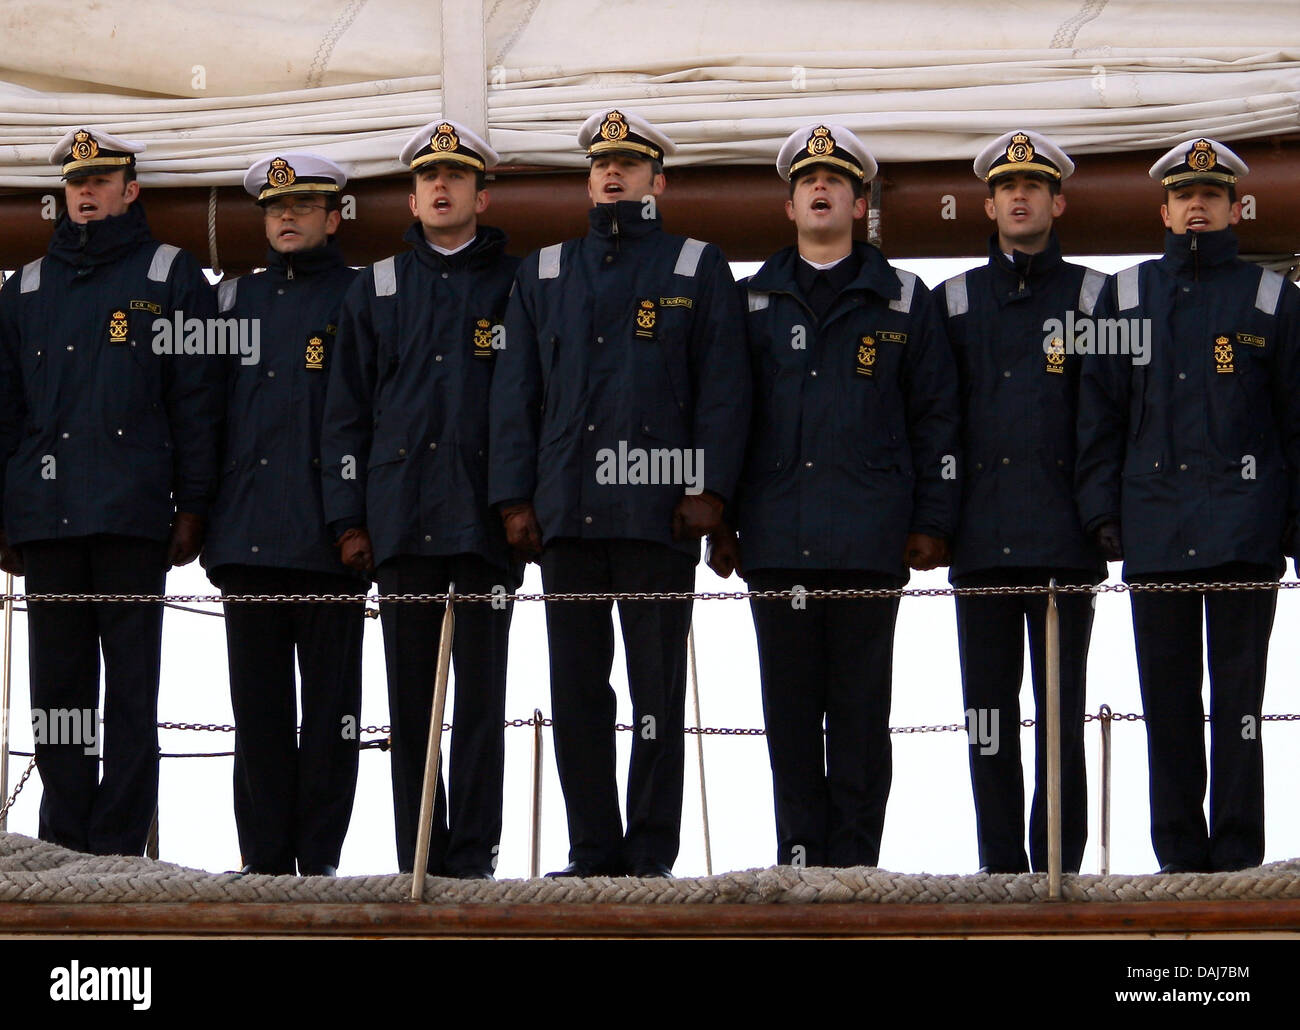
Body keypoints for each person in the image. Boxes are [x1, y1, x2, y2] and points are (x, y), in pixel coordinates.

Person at [490, 109, 749, 877]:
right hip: (565, 514)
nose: (613, 174)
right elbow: (515, 395)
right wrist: (514, 498)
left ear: (656, 181)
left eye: (630, 166)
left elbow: (725, 390)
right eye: (602, 164)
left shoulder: (695, 266)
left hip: (656, 514)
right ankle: (592, 850)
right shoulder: (542, 271)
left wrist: (708, 490)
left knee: (654, 695)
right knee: (576, 693)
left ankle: (649, 856)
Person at [706, 125, 957, 869]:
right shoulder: (750, 301)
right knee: (787, 718)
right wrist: (719, 518)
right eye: (807, 183)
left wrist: (931, 520)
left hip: (870, 542)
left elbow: (935, 416)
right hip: (776, 542)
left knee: (858, 716)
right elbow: (727, 413)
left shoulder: (906, 300)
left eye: (834, 182)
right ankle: (799, 860)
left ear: (859, 202)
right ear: (789, 206)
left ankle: (856, 867)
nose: (821, 191)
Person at [1076, 137, 1300, 872]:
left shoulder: (1273, 297)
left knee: (1238, 707)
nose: (1196, 205)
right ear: (1164, 210)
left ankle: (1237, 859)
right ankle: (1177, 858)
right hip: (1155, 527)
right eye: (1183, 196)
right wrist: (1101, 509)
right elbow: (1099, 413)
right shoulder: (1122, 295)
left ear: (1235, 206)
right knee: (1168, 705)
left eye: (1210, 195)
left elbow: (1297, 417)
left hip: (1246, 529)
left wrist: (1294, 517)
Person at [0, 128, 220, 855]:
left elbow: (196, 399)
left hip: (134, 517)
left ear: (131, 190)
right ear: (62, 195)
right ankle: (64, 839)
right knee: (58, 697)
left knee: (130, 693)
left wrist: (193, 505)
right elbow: (4, 410)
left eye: (101, 181)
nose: (87, 191)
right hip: (47, 520)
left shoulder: (169, 275)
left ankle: (119, 845)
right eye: (76, 182)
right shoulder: (24, 287)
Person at [322, 121, 519, 879]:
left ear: (480, 192)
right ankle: (419, 854)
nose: (441, 188)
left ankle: (473, 857)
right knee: (411, 705)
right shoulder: (373, 287)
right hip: (398, 521)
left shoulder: (516, 282)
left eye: (456, 177)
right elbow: (346, 411)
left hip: (485, 521)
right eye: (429, 178)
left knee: (480, 702)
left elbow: (530, 399)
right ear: (411, 195)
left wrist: (517, 501)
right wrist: (347, 519)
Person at [933, 130, 1107, 874]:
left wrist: (1102, 515)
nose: (1021, 197)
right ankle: (1000, 869)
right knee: (988, 720)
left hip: (1066, 542)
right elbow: (935, 417)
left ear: (1057, 201)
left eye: (1034, 187)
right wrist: (936, 522)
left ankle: (1060, 868)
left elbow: (1109, 415)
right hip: (980, 543)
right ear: (990, 205)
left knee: (1060, 718)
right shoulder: (954, 301)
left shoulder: (1097, 297)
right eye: (1009, 188)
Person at [203, 153, 365, 876]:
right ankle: (264, 864)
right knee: (259, 720)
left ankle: (320, 863)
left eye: (302, 207)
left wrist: (357, 521)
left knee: (332, 718)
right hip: (245, 541)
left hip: (333, 543)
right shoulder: (230, 303)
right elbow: (198, 418)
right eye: (276, 209)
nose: (287, 218)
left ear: (333, 217)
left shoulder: (362, 299)